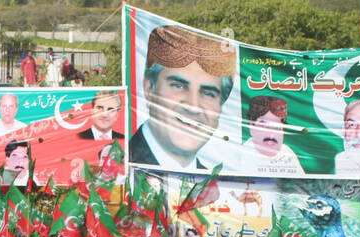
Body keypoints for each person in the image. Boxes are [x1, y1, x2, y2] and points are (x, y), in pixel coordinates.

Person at [130, 24, 237, 172]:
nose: (193, 107)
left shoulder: (214, 185)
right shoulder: (116, 167)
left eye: (208, 93)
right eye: (178, 86)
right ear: (149, 89)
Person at [239, 95, 304, 176]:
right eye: (264, 126)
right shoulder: (241, 154)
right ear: (252, 127)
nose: (271, 135)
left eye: (277, 127)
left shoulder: (287, 152)